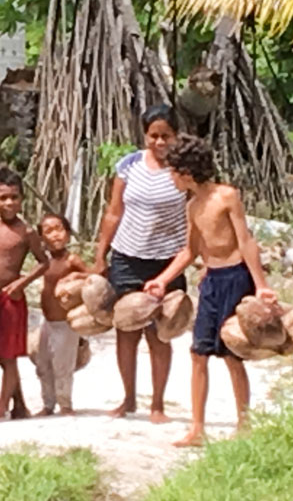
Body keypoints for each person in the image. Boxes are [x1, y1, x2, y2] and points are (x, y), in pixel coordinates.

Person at [144, 134, 279, 447]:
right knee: (198, 354)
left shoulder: (227, 196)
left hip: (236, 278)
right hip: (211, 282)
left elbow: (246, 241)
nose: (172, 179)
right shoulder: (191, 206)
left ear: (186, 173)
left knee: (233, 353)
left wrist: (261, 285)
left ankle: (244, 424)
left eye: (173, 172)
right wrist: (163, 279)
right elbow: (190, 252)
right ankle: (197, 428)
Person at [93, 105, 188, 423]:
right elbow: (113, 211)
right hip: (128, 258)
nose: (160, 142)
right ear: (145, 135)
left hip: (167, 260)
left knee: (160, 333)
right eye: (153, 136)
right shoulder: (128, 166)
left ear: (176, 136)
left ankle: (157, 404)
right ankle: (128, 398)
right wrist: (100, 255)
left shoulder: (183, 169)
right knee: (126, 330)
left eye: (166, 136)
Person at [0, 167, 49, 420]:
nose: (9, 202)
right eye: (3, 197)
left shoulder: (26, 232)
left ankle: (1, 407)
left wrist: (23, 282)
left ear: (22, 199)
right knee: (1, 354)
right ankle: (18, 405)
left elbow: (44, 262)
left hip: (12, 301)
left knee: (9, 357)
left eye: (14, 197)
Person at [34, 213, 90, 416]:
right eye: (48, 231)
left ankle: (65, 404)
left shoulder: (71, 260)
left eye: (59, 229)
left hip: (65, 322)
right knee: (43, 364)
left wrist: (79, 275)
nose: (55, 235)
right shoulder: (43, 261)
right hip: (46, 321)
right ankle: (48, 404)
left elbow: (97, 276)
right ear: (41, 237)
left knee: (62, 366)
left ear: (67, 234)